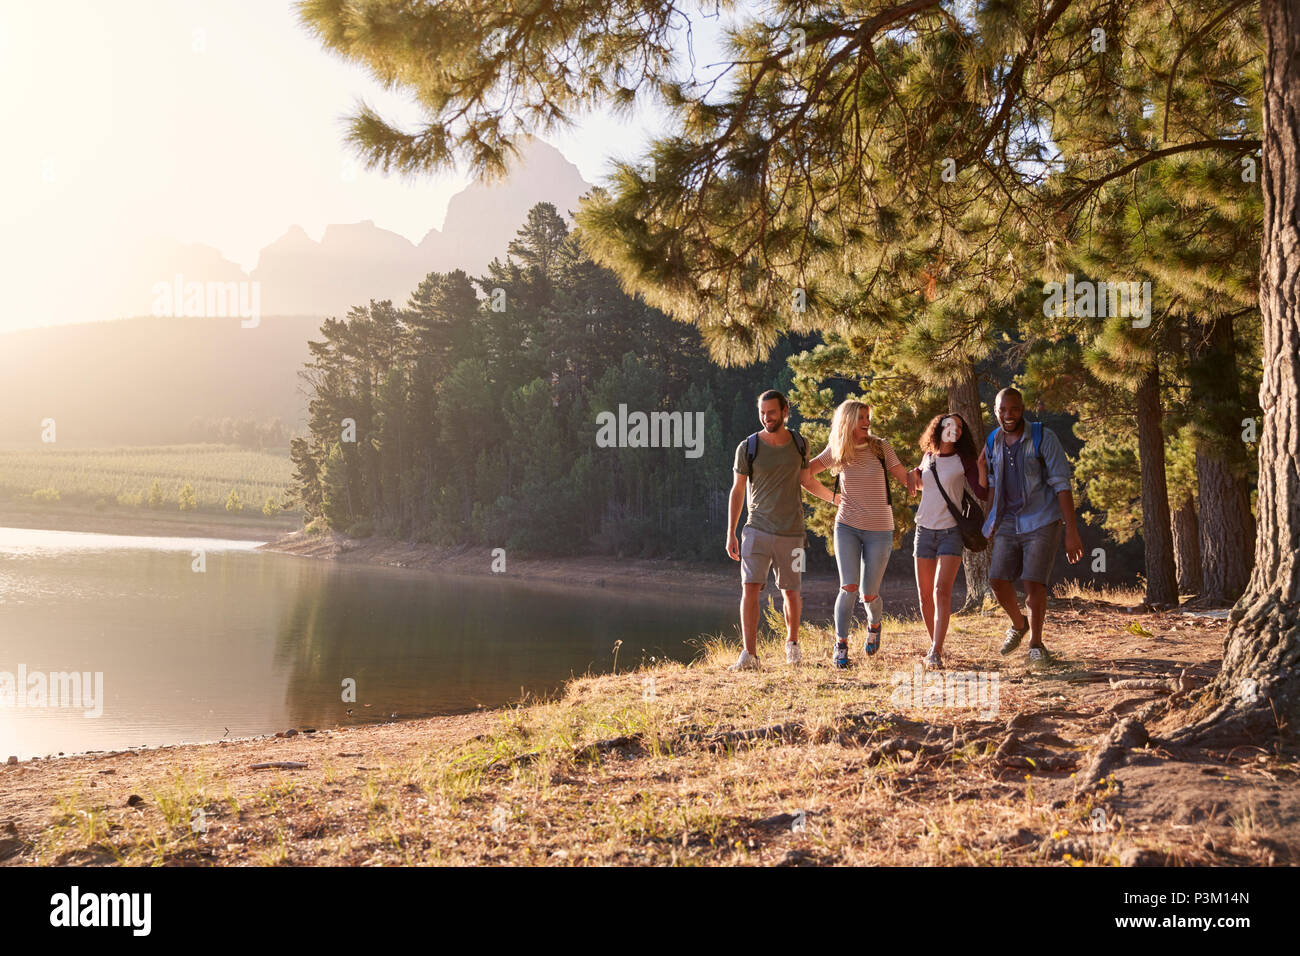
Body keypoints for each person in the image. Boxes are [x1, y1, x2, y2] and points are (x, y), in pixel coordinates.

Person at [726, 390, 835, 670]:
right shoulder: (748, 446)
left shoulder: (800, 443)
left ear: (785, 411)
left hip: (793, 532)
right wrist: (731, 532)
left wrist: (835, 498)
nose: (766, 417)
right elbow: (737, 490)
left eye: (772, 412)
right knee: (749, 589)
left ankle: (793, 645)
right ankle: (749, 655)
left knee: (792, 591)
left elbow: (806, 481)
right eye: (762, 412)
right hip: (756, 531)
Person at [806, 400, 916, 668]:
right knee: (848, 587)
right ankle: (841, 645)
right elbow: (804, 473)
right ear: (847, 421)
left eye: (868, 417)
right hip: (847, 527)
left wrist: (935, 474)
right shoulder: (838, 449)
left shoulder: (881, 447)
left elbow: (905, 478)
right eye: (861, 418)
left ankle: (874, 624)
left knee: (869, 593)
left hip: (880, 529)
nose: (866, 422)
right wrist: (831, 498)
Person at [979, 388, 1084, 663]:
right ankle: (1019, 624)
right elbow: (992, 484)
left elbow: (1062, 485)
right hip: (1007, 521)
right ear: (995, 411)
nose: (1007, 415)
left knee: (1033, 583)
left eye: (1013, 409)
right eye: (1002, 410)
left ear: (1022, 408)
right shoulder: (993, 441)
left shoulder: (1043, 438)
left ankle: (1036, 645)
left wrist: (1071, 531)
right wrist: (989, 520)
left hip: (1042, 520)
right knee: (998, 580)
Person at [908, 413, 987, 670]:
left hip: (950, 533)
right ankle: (935, 647)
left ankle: (935, 651)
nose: (955, 429)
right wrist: (913, 474)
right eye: (950, 425)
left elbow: (982, 491)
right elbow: (922, 483)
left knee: (941, 591)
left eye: (960, 427)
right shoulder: (928, 456)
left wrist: (982, 467)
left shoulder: (963, 460)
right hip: (924, 531)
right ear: (939, 428)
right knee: (924, 596)